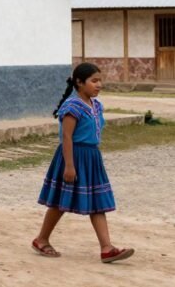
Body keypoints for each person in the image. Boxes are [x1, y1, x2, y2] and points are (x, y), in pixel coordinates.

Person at [33, 62, 134, 263]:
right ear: (79, 83)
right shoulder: (71, 107)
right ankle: (41, 239)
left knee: (97, 202)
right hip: (72, 156)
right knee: (60, 201)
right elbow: (67, 138)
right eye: (94, 81)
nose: (99, 85)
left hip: (91, 157)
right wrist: (69, 166)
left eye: (100, 81)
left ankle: (107, 248)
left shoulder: (96, 105)